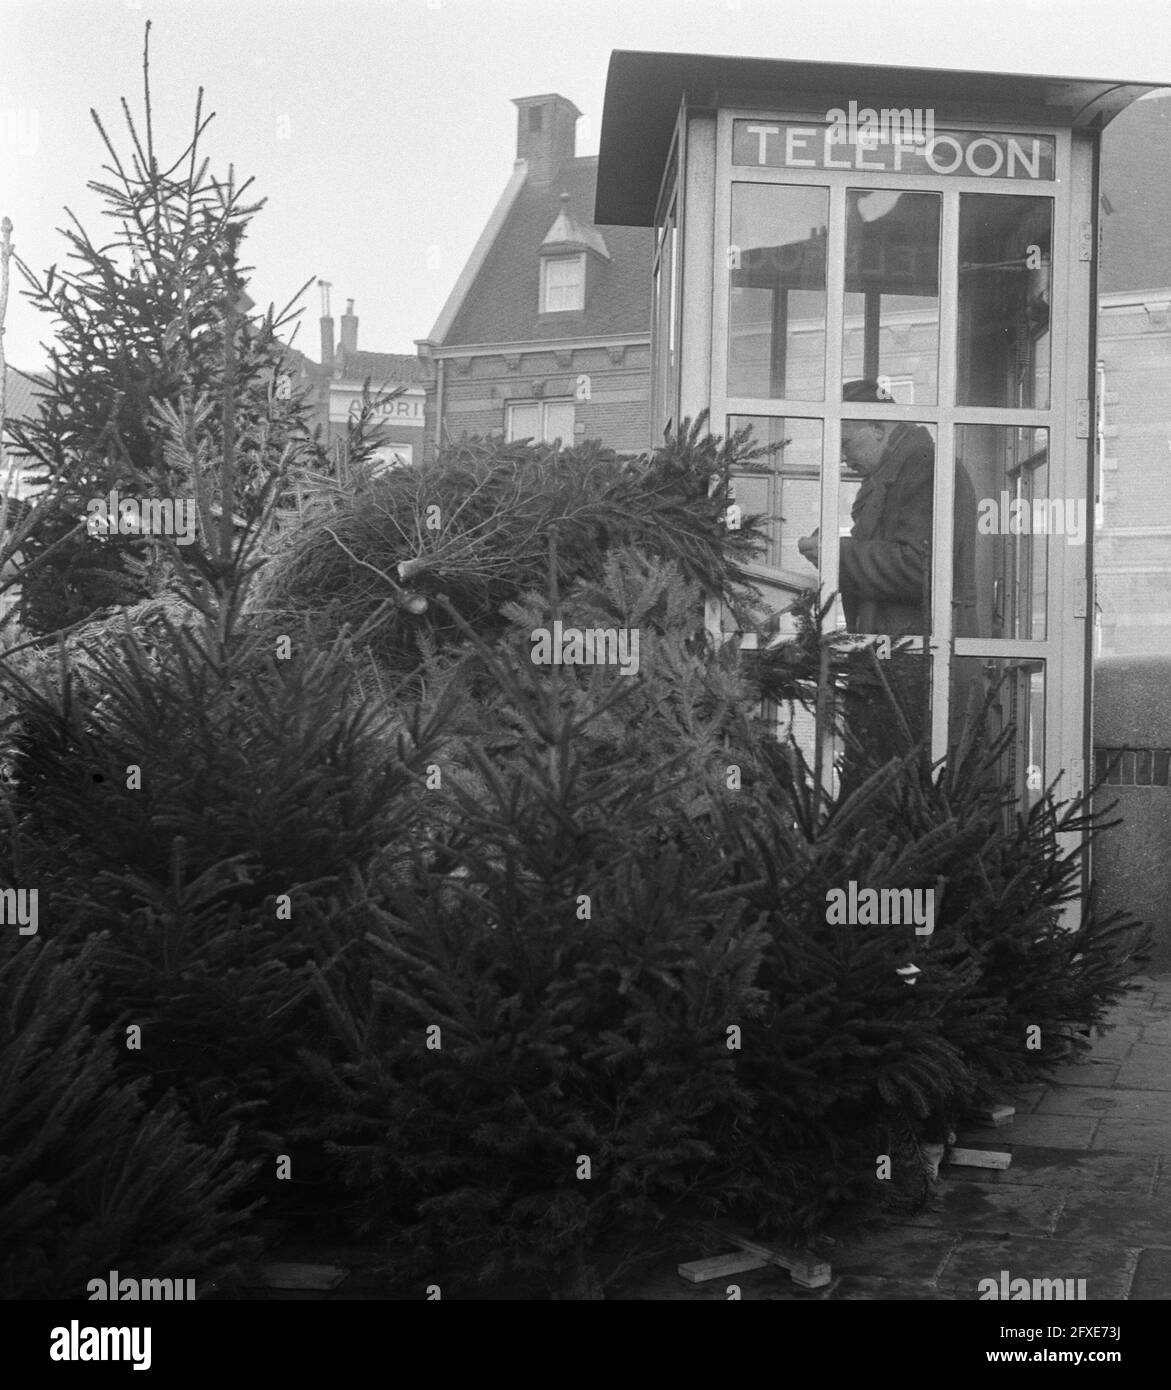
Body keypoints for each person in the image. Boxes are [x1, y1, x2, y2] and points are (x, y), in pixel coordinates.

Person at [795, 379, 977, 790]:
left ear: (878, 427)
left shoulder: (924, 468)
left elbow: (919, 568)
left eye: (845, 443)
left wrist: (836, 554)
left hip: (914, 664)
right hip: (901, 660)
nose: (843, 457)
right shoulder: (909, 468)